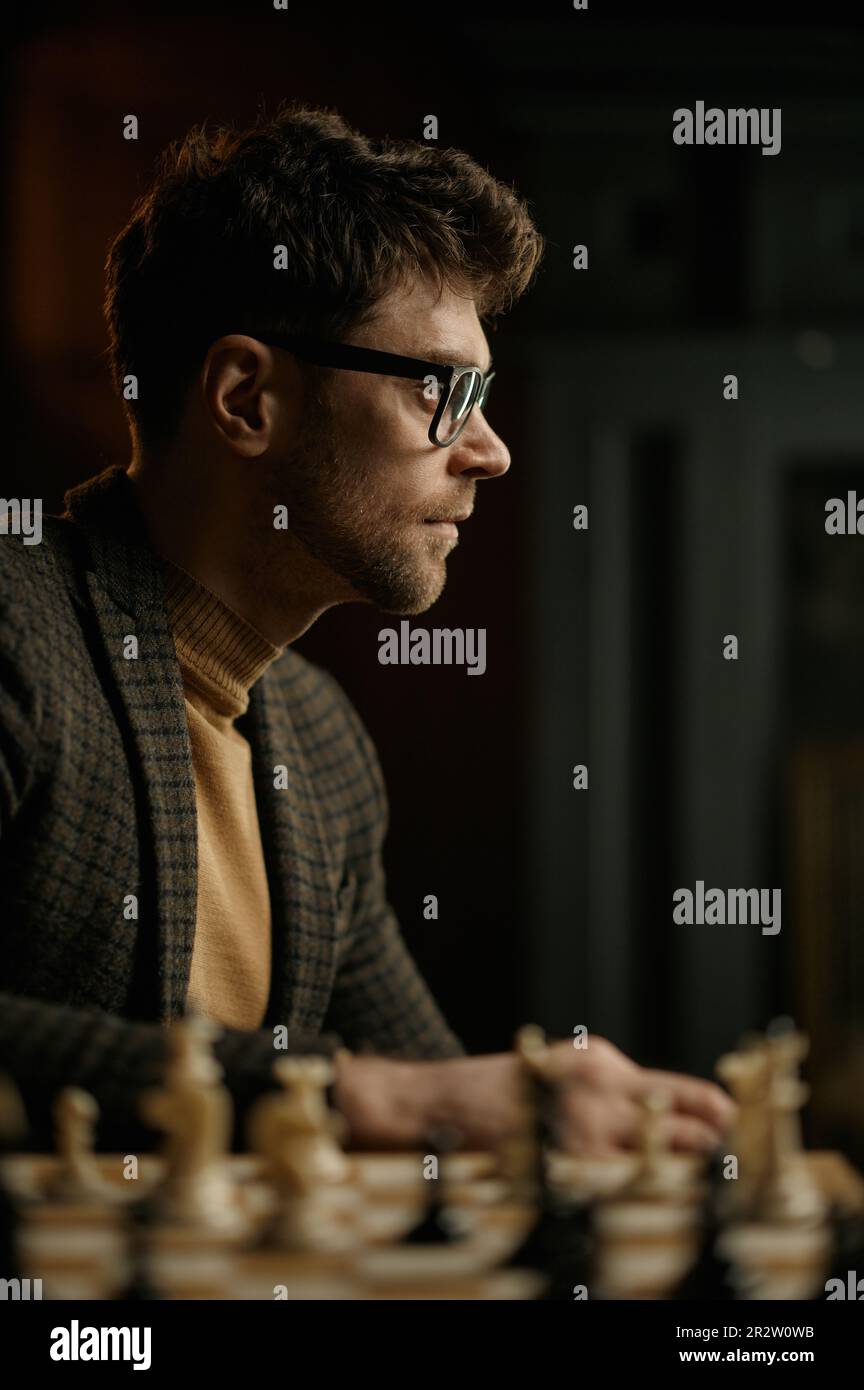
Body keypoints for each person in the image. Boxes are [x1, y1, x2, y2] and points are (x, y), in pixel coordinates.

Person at [0, 103, 733, 1153]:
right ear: (247, 397)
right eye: (441, 389)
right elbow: (405, 1097)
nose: (490, 452)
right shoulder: (16, 636)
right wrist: (383, 1104)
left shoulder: (319, 740)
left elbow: (445, 1095)